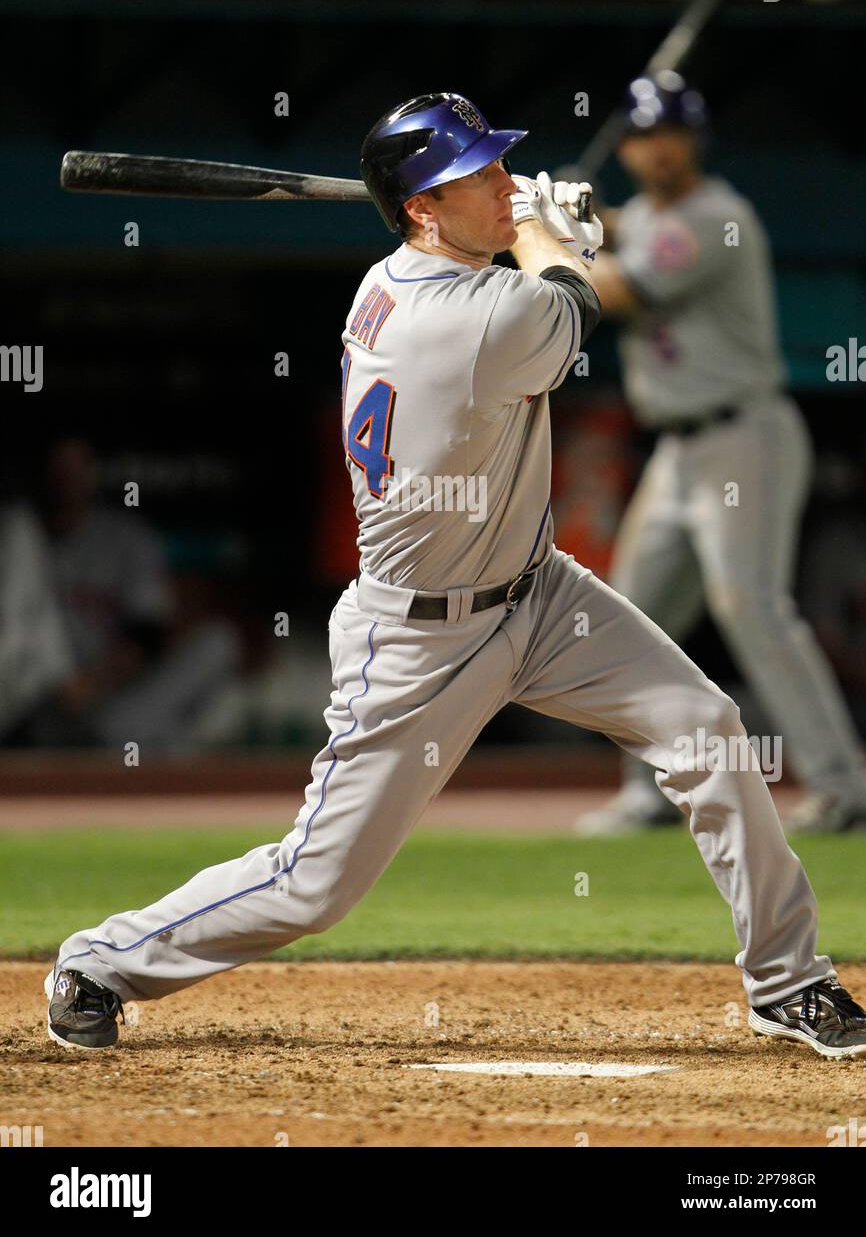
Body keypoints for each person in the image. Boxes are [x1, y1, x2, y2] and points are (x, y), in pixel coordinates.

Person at [45, 92, 866, 1061]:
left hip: (538, 590)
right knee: (317, 883)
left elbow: (545, 278)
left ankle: (788, 979)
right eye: (474, 176)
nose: (502, 182)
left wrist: (536, 229)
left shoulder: (401, 276)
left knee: (706, 731)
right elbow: (569, 302)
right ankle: (99, 961)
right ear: (423, 212)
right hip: (421, 635)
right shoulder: (463, 320)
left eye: (495, 166)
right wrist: (556, 236)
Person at [571, 71, 866, 835]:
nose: (657, 146)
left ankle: (842, 787)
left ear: (693, 139)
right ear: (630, 146)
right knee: (632, 614)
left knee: (752, 608)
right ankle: (647, 790)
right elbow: (619, 225)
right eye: (643, 134)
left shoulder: (715, 216)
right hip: (678, 451)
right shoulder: (648, 215)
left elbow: (618, 286)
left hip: (745, 437)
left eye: (670, 131)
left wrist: (538, 236)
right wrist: (570, 208)